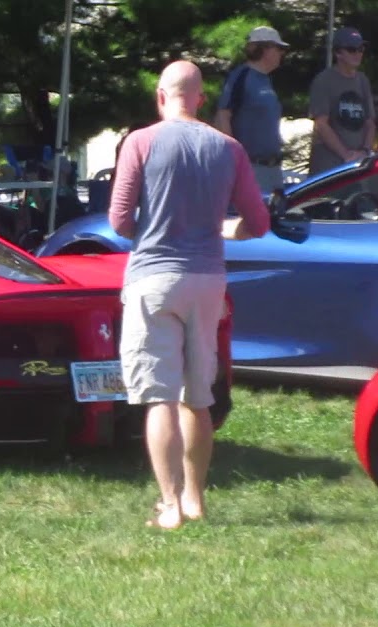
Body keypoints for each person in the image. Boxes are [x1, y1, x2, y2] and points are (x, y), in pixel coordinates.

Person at [108, 60, 269, 530]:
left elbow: (119, 220)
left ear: (161, 97)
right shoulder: (228, 147)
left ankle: (170, 505)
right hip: (208, 280)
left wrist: (155, 230)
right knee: (197, 398)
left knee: (159, 397)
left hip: (154, 278)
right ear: (200, 98)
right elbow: (258, 224)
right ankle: (197, 499)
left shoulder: (140, 141)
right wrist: (223, 228)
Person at [213, 26, 289, 191]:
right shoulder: (240, 77)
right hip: (250, 167)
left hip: (273, 167)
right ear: (264, 49)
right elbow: (222, 116)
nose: (281, 53)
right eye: (279, 48)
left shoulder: (266, 80)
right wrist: (233, 160)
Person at [308, 27, 375, 175]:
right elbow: (321, 124)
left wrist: (364, 151)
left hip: (357, 166)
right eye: (351, 49)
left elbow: (370, 123)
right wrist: (346, 155)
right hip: (328, 167)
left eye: (360, 49)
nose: (358, 54)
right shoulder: (324, 80)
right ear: (338, 52)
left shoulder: (363, 81)